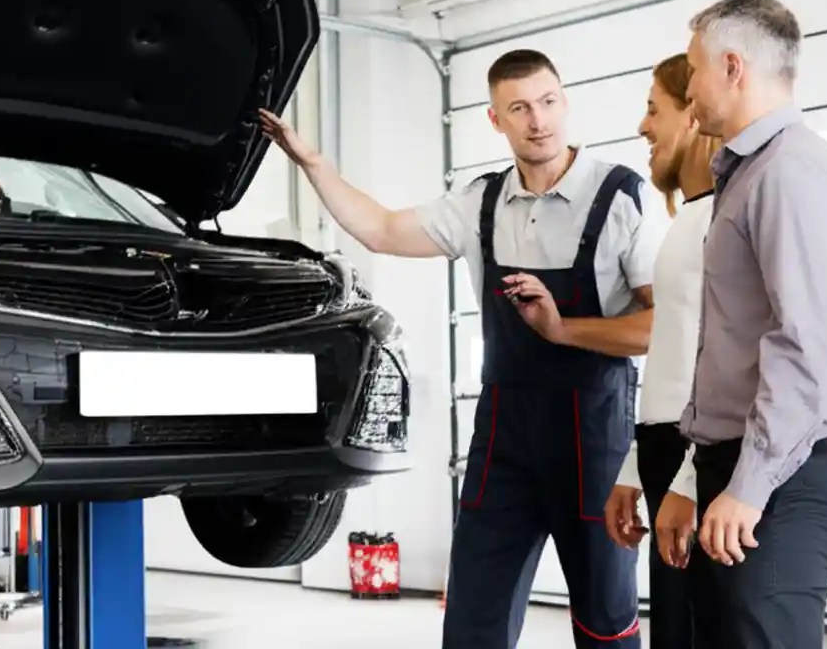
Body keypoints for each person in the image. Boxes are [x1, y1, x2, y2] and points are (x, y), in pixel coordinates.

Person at [260, 49, 664, 649]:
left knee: (605, 617)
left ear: (565, 100)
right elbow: (383, 229)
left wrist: (564, 330)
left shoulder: (620, 196)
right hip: (504, 434)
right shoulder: (481, 202)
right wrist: (315, 165)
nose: (539, 120)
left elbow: (663, 327)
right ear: (496, 119)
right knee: (474, 616)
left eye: (549, 101)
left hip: (594, 435)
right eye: (520, 108)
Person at [675, 0, 827, 648]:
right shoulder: (751, 171)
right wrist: (696, 477)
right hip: (743, 471)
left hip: (779, 481)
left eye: (693, 68)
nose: (689, 86)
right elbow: (732, 353)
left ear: (732, 67)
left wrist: (749, 487)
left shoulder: (790, 170)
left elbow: (803, 346)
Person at [602, 53, 721, 649]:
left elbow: (729, 367)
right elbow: (674, 355)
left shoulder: (727, 220)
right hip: (666, 448)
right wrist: (634, 465)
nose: (643, 126)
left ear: (694, 115)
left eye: (655, 109)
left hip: (699, 456)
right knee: (674, 635)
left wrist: (691, 479)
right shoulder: (689, 222)